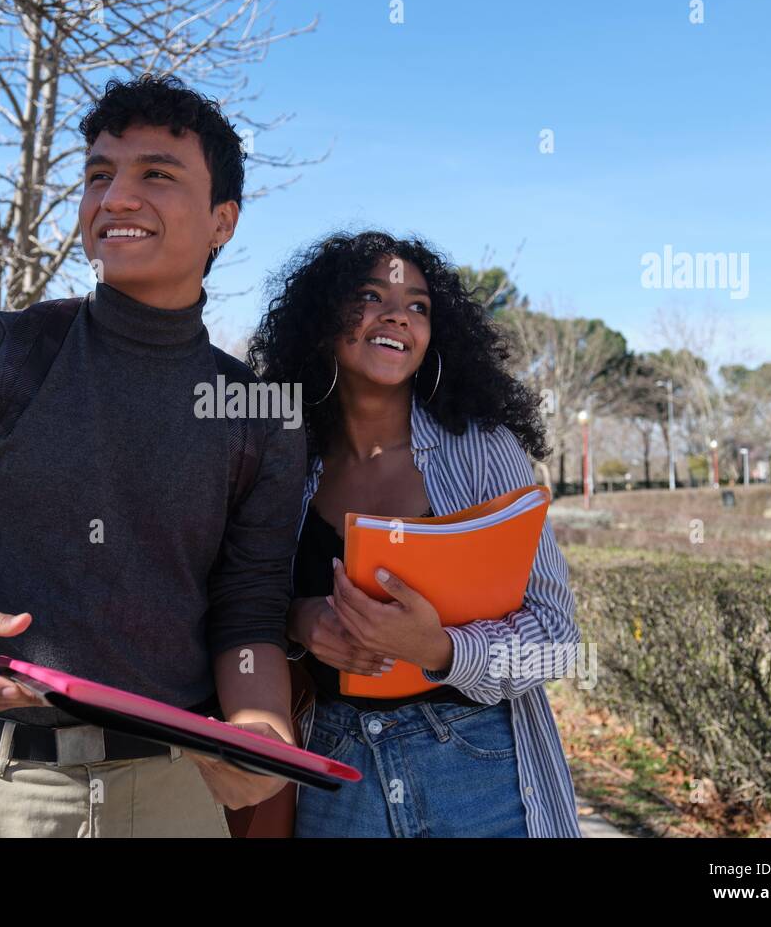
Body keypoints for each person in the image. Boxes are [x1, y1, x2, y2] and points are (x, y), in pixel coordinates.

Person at [0, 74, 306, 837]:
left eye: (156, 173)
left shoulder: (260, 414)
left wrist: (260, 724)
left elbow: (249, 609)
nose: (116, 197)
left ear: (224, 220)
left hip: (175, 790)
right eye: (99, 175)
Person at [248, 230, 583, 837]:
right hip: (335, 772)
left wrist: (440, 649)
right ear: (324, 320)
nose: (398, 315)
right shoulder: (282, 455)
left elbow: (557, 639)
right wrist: (300, 622)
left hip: (478, 772)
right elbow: (240, 601)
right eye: (371, 296)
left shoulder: (483, 451)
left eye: (419, 306)